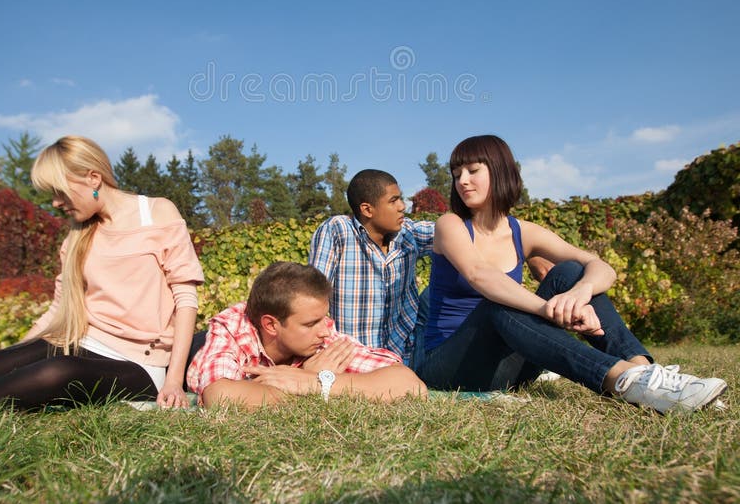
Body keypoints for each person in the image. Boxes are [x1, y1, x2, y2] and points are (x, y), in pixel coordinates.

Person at [415, 134, 727, 414]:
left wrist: (578, 295)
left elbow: (600, 267)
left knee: (570, 273)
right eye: (456, 175)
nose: (462, 181)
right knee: (498, 303)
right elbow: (481, 275)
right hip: (452, 367)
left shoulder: (523, 231)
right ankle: (622, 379)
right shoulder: (450, 225)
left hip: (510, 367)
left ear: (499, 170)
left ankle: (645, 371)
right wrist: (549, 311)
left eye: (473, 170)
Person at [0, 135, 204, 411]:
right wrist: (13, 357)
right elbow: (57, 310)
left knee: (58, 371)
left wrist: (174, 380)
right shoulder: (76, 238)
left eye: (59, 192)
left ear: (93, 178)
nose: (55, 203)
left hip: (139, 363)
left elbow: (185, 299)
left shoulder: (157, 213)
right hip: (77, 342)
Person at [186, 261, 427, 409]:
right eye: (311, 323)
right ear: (271, 324)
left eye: (324, 317)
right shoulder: (233, 328)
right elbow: (221, 399)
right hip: (195, 348)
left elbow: (410, 387)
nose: (325, 330)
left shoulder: (321, 335)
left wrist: (314, 382)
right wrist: (304, 376)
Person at [309, 169, 434, 368]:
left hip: (404, 350)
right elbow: (311, 294)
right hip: (353, 354)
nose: (403, 207)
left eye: (400, 199)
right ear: (367, 210)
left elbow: (452, 232)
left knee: (439, 287)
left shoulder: (408, 233)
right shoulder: (337, 231)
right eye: (393, 201)